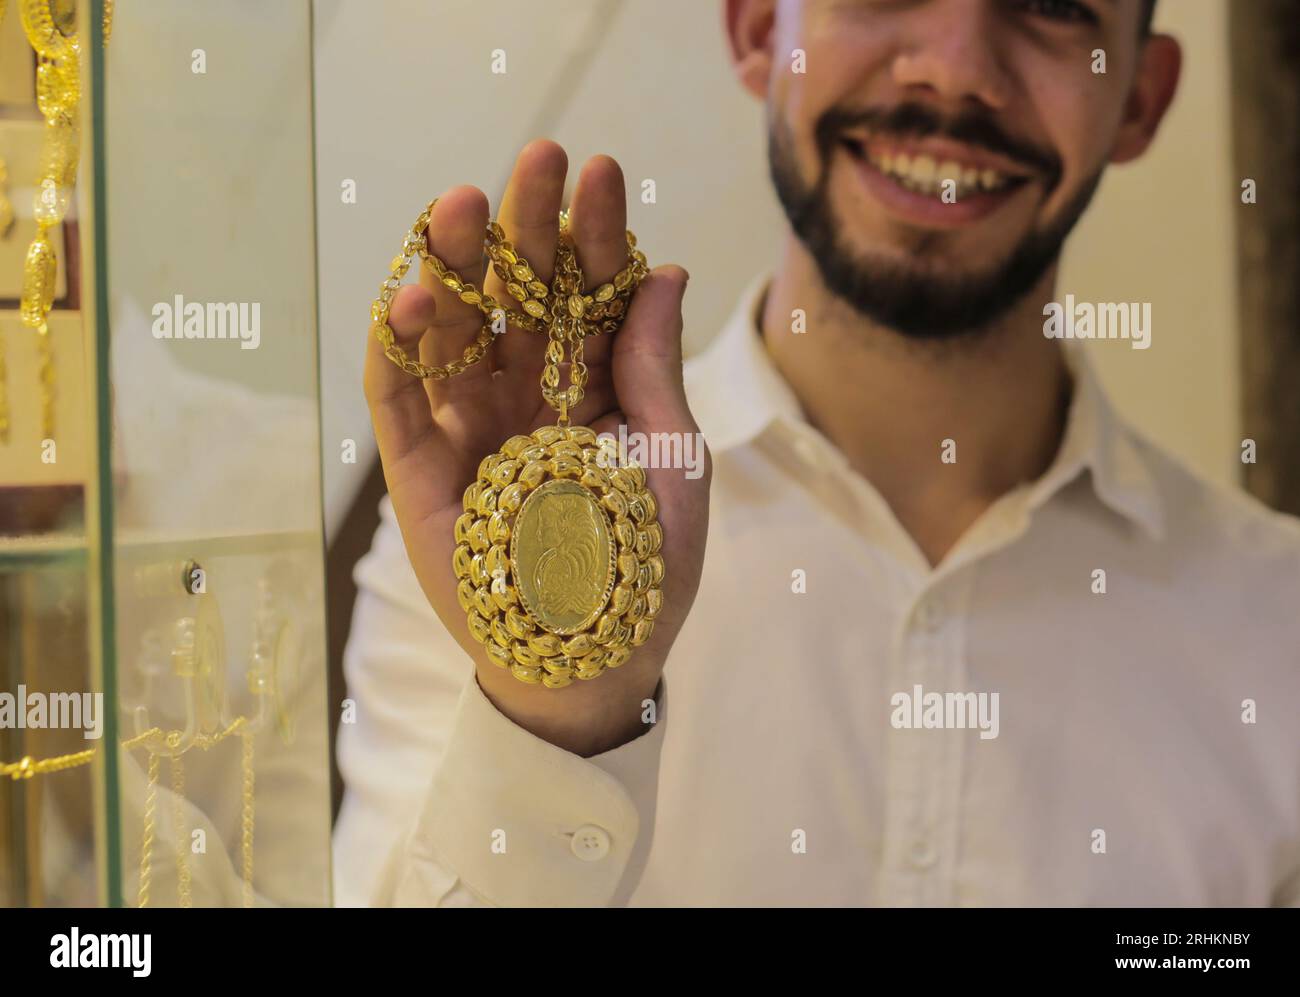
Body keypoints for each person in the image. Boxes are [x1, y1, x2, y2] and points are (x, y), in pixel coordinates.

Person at [337, 0, 1300, 906]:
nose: (956, 70)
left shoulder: (1273, 627)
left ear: (1138, 96)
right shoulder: (500, 550)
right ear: (759, 26)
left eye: (1047, 3)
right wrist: (556, 720)